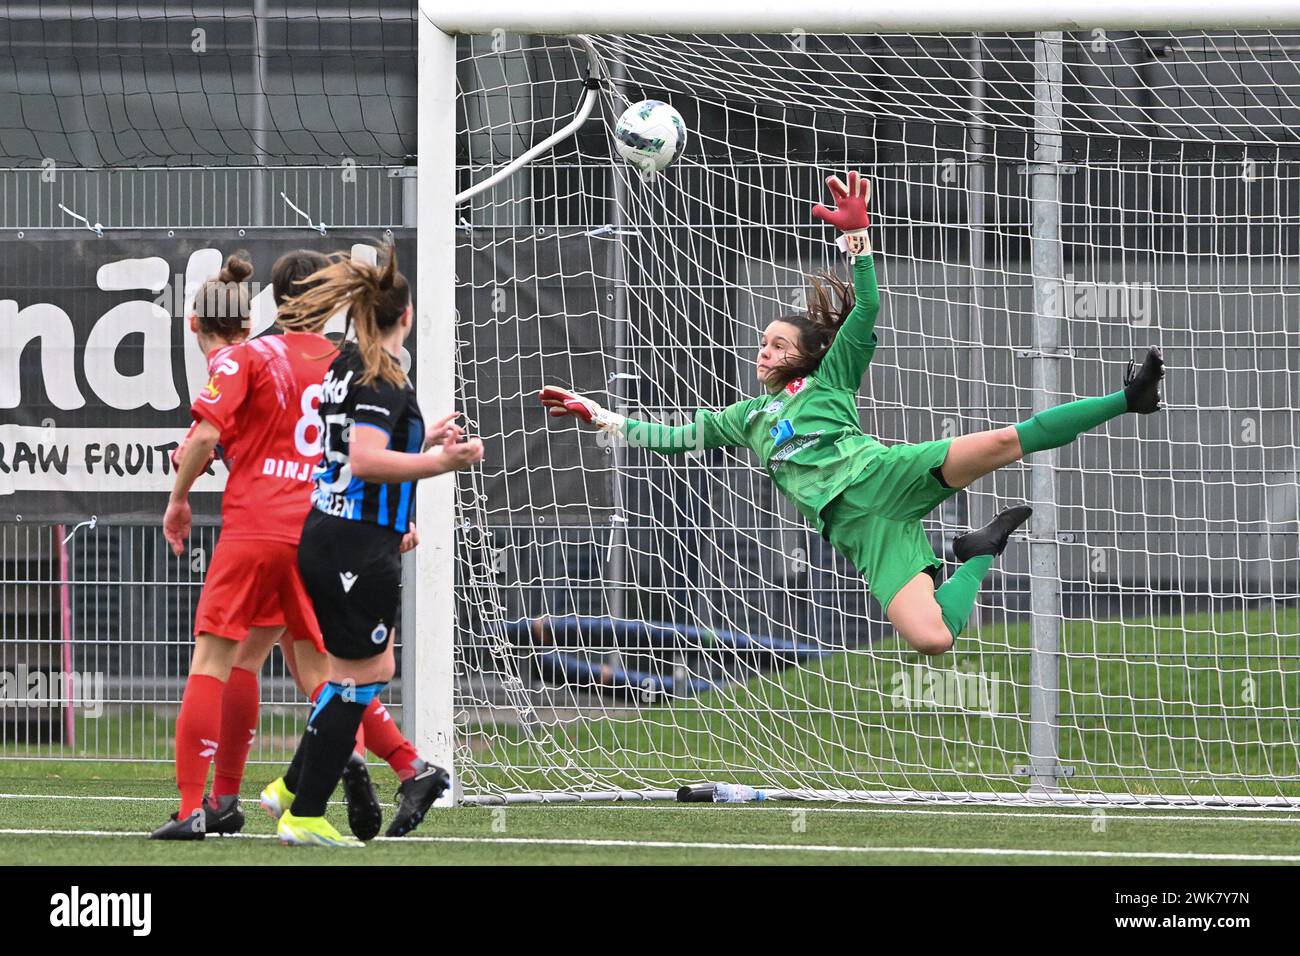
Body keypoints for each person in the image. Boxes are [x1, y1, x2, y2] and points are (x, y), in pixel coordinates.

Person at [540, 171, 1165, 655]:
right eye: (762, 343)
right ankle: (978, 550)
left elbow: (865, 307)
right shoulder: (747, 418)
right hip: (862, 531)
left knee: (1007, 441)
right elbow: (671, 436)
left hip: (883, 477)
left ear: (812, 356)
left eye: (779, 344)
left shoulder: (831, 382)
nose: (765, 352)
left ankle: (1124, 399)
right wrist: (600, 416)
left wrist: (856, 238)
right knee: (934, 639)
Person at [262, 245, 483, 847]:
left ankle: (289, 788)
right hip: (357, 546)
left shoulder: (348, 364)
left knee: (351, 674)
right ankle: (302, 811)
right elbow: (363, 457)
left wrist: (425, 433)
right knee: (366, 675)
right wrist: (443, 460)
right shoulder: (381, 377)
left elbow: (362, 439)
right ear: (404, 317)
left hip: (331, 534)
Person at [153, 252, 338, 839]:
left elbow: (209, 433)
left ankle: (192, 810)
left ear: (193, 324)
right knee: (290, 666)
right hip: (317, 531)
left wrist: (179, 496)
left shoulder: (247, 361)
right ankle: (235, 800)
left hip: (259, 528)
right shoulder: (329, 361)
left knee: (215, 660)